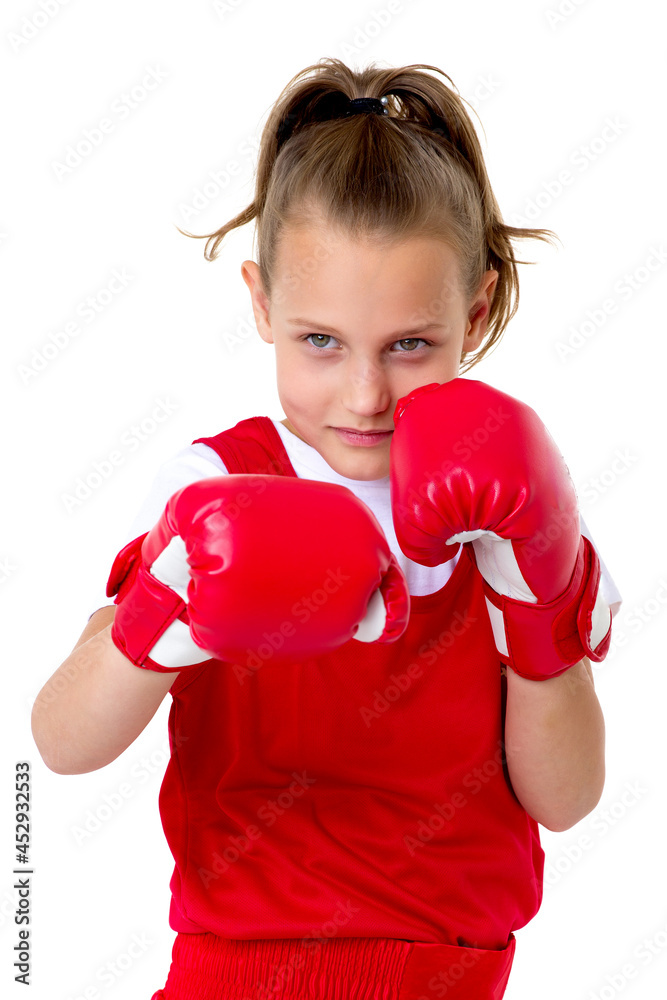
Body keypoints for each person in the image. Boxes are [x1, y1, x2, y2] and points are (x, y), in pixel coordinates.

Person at [31, 58, 622, 1000]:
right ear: (261, 303)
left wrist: (538, 606)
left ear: (473, 310)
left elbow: (567, 798)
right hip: (236, 976)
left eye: (409, 347)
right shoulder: (217, 485)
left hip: (457, 977)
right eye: (319, 341)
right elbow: (61, 742)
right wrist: (158, 613)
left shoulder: (508, 503)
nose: (363, 394)